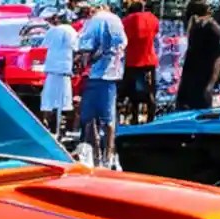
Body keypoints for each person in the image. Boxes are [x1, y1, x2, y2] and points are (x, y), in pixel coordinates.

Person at [77, 1, 126, 169]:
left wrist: (83, 62)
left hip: (96, 75)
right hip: (114, 74)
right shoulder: (117, 20)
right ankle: (109, 156)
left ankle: (96, 157)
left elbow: (86, 49)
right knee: (109, 118)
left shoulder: (95, 22)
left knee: (89, 118)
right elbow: (123, 45)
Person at [176, 0, 220, 110]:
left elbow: (219, 58)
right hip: (191, 81)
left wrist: (210, 84)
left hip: (203, 81)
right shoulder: (197, 28)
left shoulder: (213, 30)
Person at [40, 10, 78, 135]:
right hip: (64, 70)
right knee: (64, 102)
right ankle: (62, 129)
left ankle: (47, 123)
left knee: (48, 100)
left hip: (51, 69)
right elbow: (76, 48)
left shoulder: (52, 31)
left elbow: (43, 47)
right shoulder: (71, 31)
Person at [121, 1, 159, 125]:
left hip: (132, 61)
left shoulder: (126, 21)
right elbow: (156, 32)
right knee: (150, 92)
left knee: (133, 93)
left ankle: (134, 118)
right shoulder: (152, 18)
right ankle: (151, 119)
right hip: (149, 60)